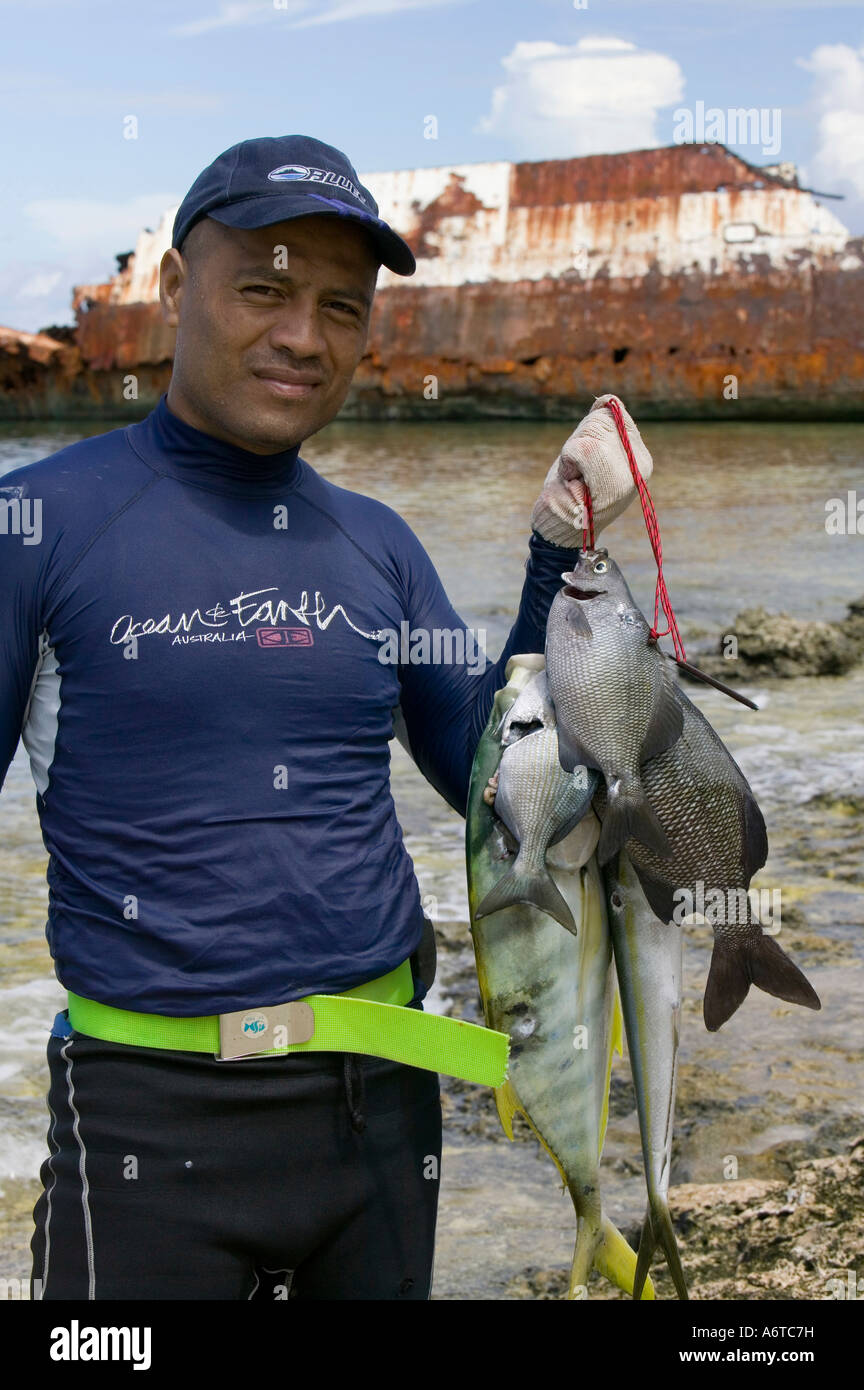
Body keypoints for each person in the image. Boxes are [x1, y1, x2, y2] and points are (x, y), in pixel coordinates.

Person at [0, 134, 652, 1301]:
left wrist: (555, 557)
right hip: (147, 1117)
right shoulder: (39, 521)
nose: (304, 335)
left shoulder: (379, 543)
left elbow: (484, 772)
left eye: (341, 307)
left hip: (383, 1111)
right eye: (264, 288)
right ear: (171, 287)